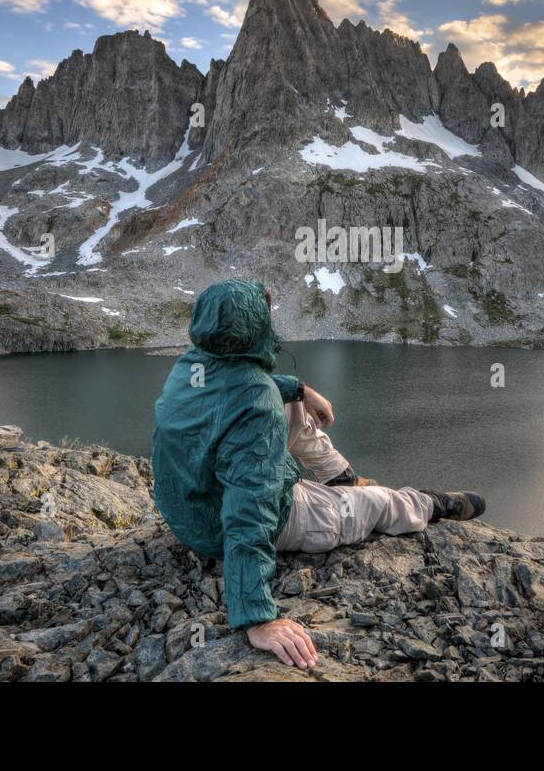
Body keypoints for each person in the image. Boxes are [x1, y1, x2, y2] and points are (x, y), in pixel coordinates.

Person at [152, 279, 485, 670]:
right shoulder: (256, 406)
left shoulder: (191, 365)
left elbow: (232, 385)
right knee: (375, 502)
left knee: (287, 403)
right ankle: (428, 502)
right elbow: (249, 513)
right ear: (254, 328)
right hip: (225, 525)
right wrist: (256, 617)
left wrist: (301, 390)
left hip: (188, 506)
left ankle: (340, 478)